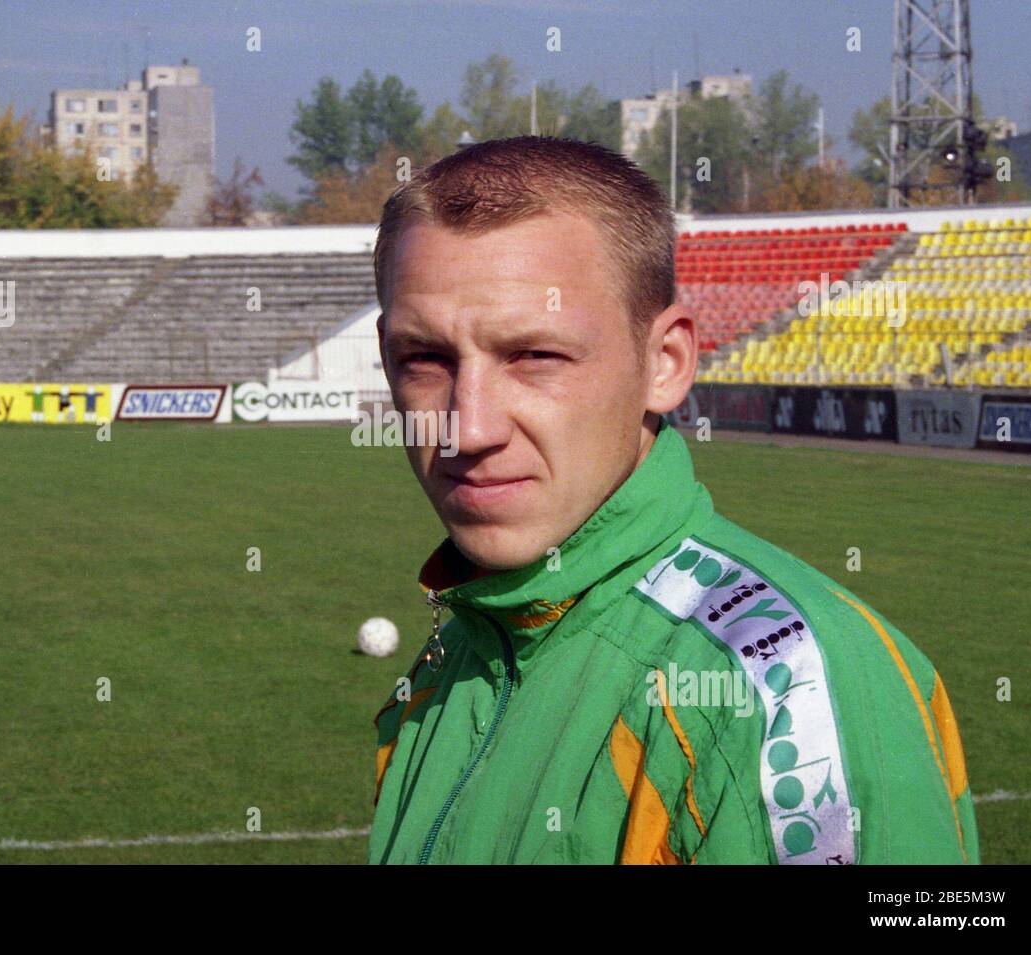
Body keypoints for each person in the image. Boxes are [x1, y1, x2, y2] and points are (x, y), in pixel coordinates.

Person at [368, 136, 978, 865]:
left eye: (535, 356)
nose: (468, 426)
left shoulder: (784, 687)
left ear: (666, 364)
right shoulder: (462, 648)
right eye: (425, 359)